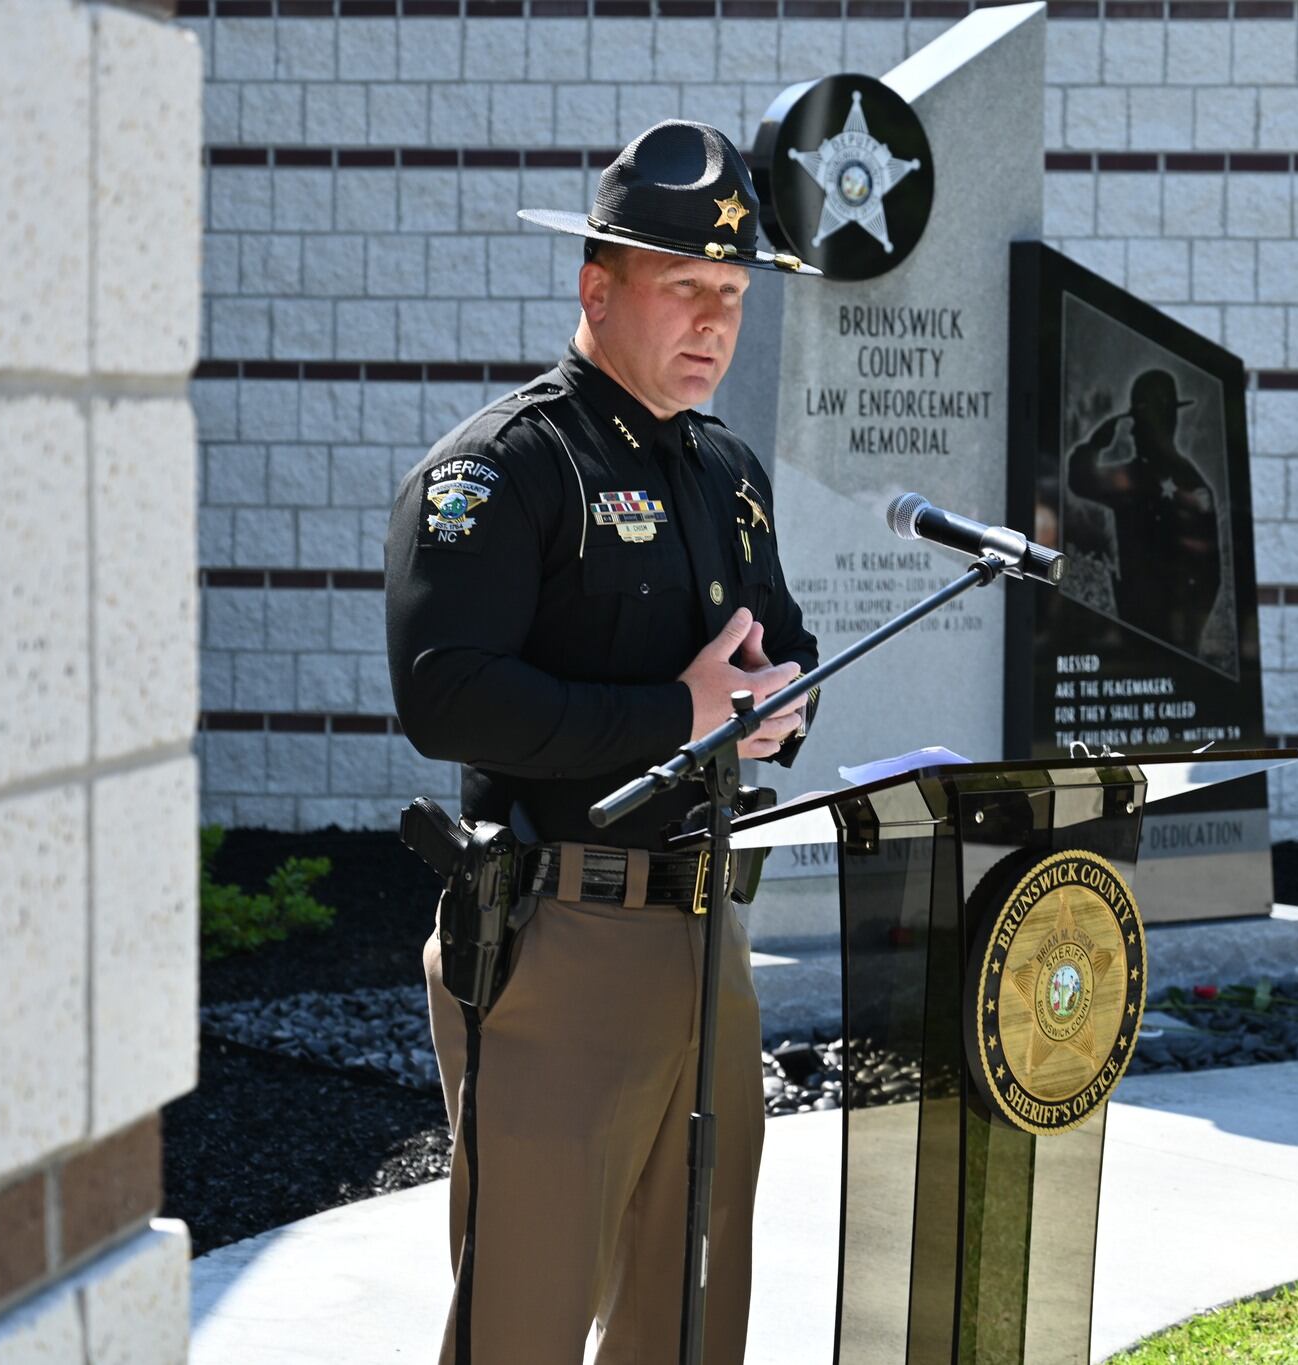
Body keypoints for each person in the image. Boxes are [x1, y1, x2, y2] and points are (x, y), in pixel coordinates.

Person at [383, 120, 823, 1364]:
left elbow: (776, 651)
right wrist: (682, 715)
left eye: (732, 296)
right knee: (527, 1317)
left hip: (706, 948)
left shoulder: (726, 471)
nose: (714, 323)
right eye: (685, 289)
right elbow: (446, 696)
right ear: (596, 288)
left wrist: (783, 705)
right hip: (556, 947)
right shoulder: (503, 469)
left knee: (688, 1316)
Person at [1066, 368, 1223, 659]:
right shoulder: (1188, 477)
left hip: (1152, 615)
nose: (1136, 430)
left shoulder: (1144, 477)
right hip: (1163, 618)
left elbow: (1082, 480)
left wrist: (1093, 447)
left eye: (1141, 421)